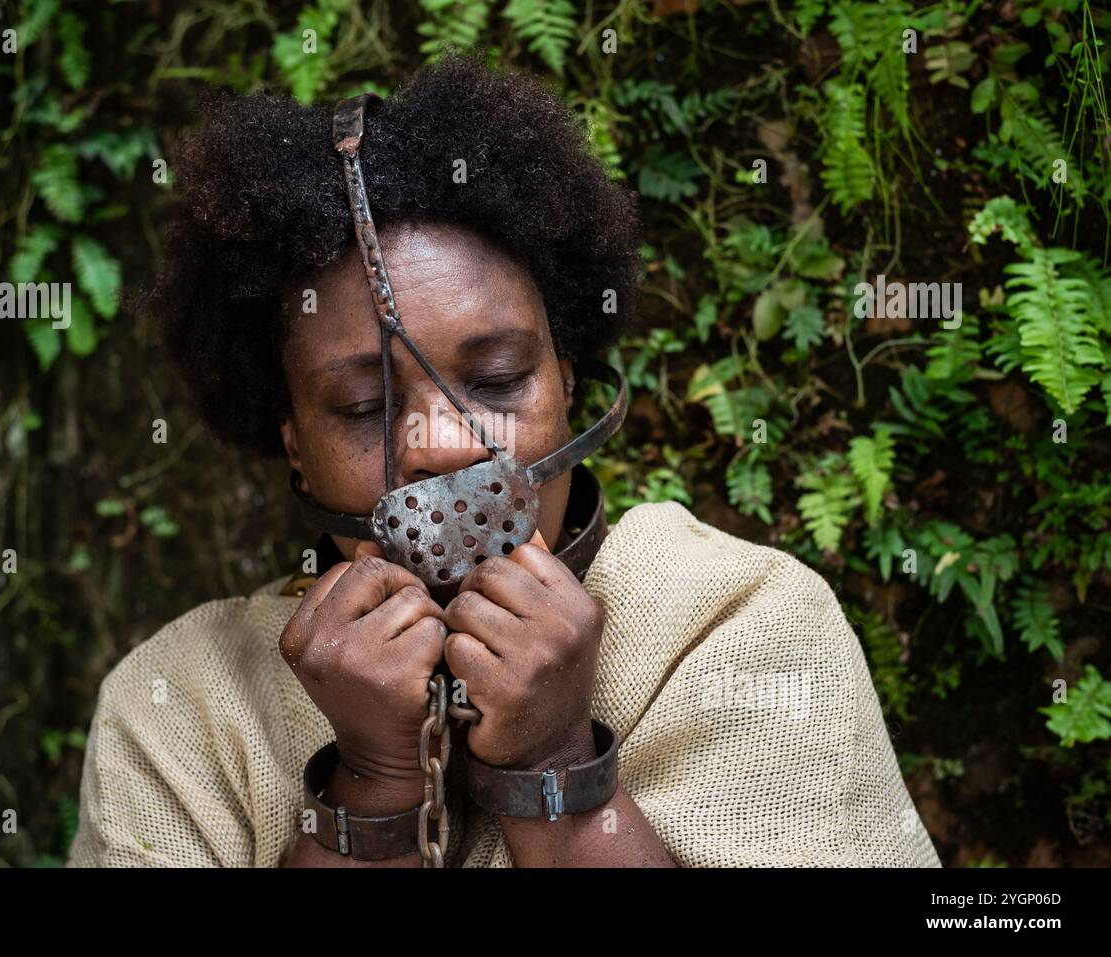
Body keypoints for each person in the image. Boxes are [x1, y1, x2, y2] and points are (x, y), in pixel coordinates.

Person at [68, 53, 940, 868]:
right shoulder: (179, 704)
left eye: (494, 378)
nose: (441, 443)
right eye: (366, 408)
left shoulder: (743, 622)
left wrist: (555, 768)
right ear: (294, 446)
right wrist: (374, 786)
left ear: (566, 380)